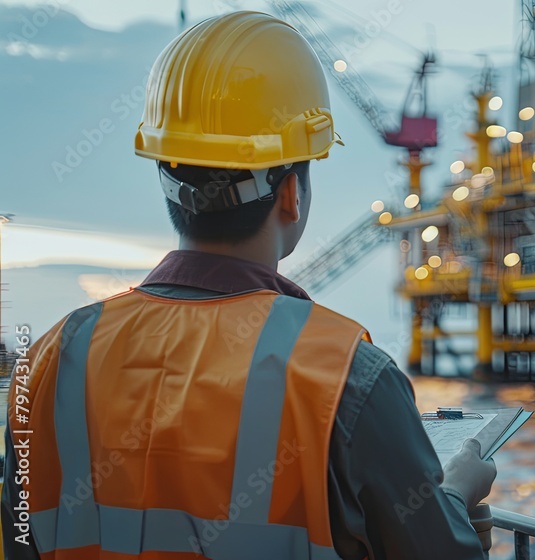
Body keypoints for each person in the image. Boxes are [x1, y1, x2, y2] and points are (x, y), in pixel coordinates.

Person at [1, 11, 495, 559]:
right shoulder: (347, 376)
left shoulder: (47, 362)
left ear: (165, 179)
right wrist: (454, 496)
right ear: (291, 194)